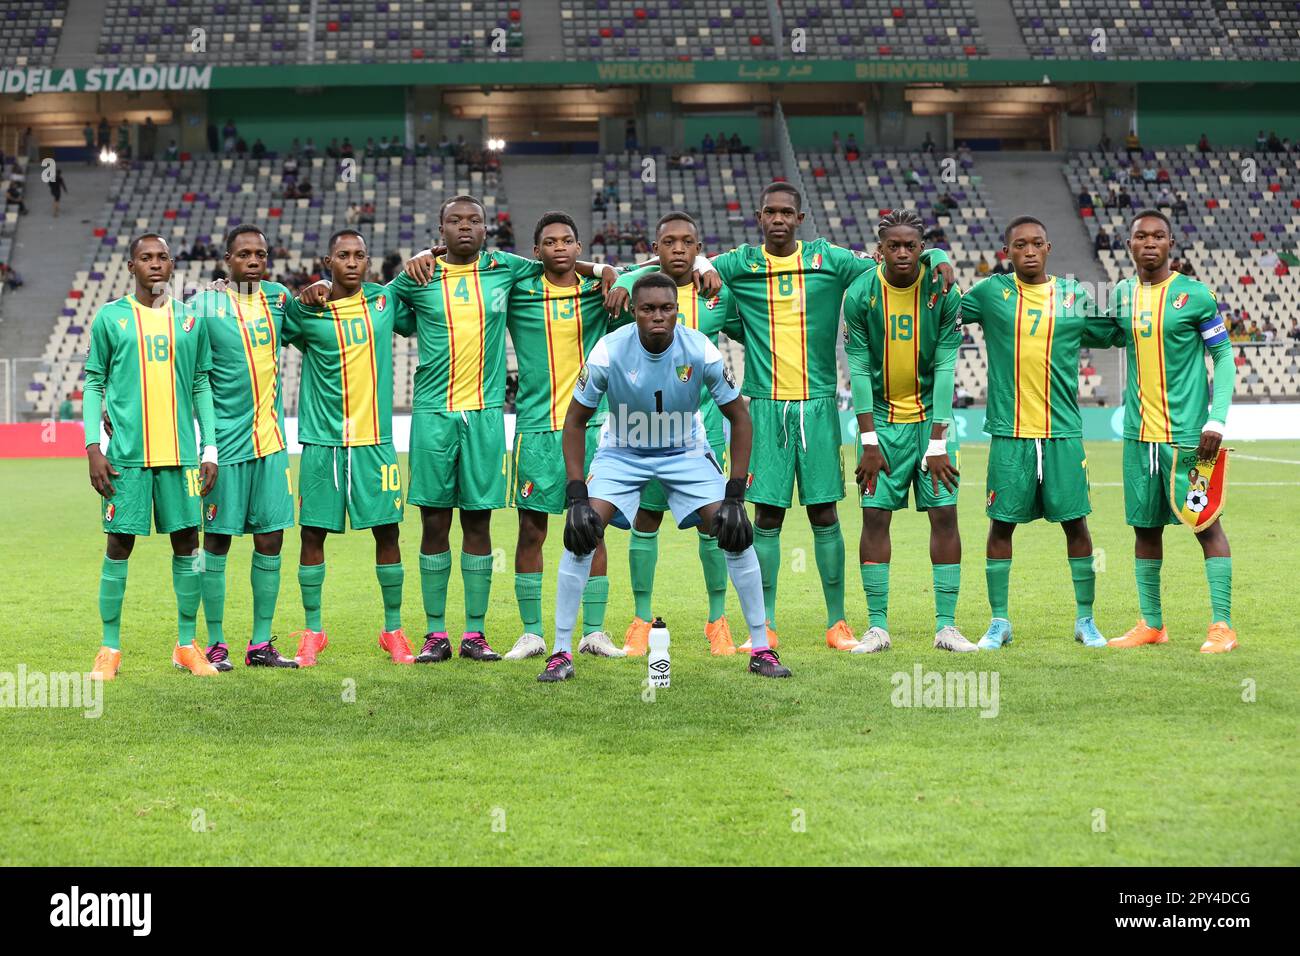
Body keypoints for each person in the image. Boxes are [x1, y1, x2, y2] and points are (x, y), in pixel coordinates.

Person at [695, 182, 955, 652]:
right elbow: (689, 263)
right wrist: (699, 264)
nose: (778, 219)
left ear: (800, 218)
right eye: (770, 212)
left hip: (818, 405)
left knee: (824, 513)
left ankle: (838, 623)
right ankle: (766, 622)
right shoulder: (740, 264)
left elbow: (895, 258)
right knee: (767, 516)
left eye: (786, 212)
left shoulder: (829, 258)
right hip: (767, 404)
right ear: (759, 217)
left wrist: (935, 255)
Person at [367, 199, 626, 663]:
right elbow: (371, 301)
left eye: (474, 221)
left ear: (488, 229)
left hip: (500, 417)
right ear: (440, 228)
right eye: (454, 221)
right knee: (437, 522)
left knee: (499, 521)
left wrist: (610, 268)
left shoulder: (507, 269)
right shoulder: (419, 276)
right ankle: (437, 634)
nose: (465, 227)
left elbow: (583, 265)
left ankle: (481, 634)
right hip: (440, 416)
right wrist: (327, 282)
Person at [543, 271, 791, 682]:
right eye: (647, 309)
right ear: (634, 313)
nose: (658, 316)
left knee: (735, 529)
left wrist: (735, 493)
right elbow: (574, 423)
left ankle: (761, 648)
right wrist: (576, 495)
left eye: (666, 308)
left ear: (677, 310)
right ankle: (561, 652)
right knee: (582, 529)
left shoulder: (700, 349)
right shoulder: (609, 351)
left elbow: (739, 418)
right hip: (623, 452)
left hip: (686, 452)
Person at [955, 216, 1116, 651]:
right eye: (1019, 244)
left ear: (1049, 248)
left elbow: (1114, 332)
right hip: (1010, 434)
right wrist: (934, 257)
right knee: (1000, 525)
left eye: (1036, 243)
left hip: (1063, 432)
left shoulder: (1074, 295)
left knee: (1076, 524)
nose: (1028, 250)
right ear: (1006, 252)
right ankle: (998, 622)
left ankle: (1086, 620)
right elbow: (942, 308)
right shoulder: (991, 293)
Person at [607, 213, 745, 656]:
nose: (679, 250)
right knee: (645, 521)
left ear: (700, 246)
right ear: (656, 247)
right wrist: (629, 275)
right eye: (670, 242)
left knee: (716, 526)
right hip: (644, 432)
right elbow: (599, 273)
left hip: (702, 435)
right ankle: (642, 619)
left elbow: (754, 334)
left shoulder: (716, 294)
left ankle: (717, 620)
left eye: (688, 242)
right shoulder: (637, 293)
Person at [82, 234, 219, 680]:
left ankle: (185, 645)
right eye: (146, 258)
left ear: (173, 265)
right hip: (126, 457)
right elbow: (93, 383)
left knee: (188, 547)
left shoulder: (189, 320)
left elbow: (201, 384)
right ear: (131, 266)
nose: (155, 265)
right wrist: (92, 448)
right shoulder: (111, 318)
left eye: (162, 258)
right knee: (118, 546)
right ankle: (109, 648)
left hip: (180, 457)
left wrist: (210, 447)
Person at [1101, 210, 1237, 654]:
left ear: (1171, 243)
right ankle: (1152, 624)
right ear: (1129, 245)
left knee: (1206, 523)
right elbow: (1094, 332)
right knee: (1144, 529)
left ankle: (1222, 627)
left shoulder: (1195, 296)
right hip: (1139, 438)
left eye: (1158, 235)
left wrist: (1216, 419)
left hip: (1190, 441)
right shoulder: (1120, 296)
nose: (1150, 243)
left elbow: (1225, 357)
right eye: (1141, 236)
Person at [842, 210, 973, 654]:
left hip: (929, 422)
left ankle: (947, 627)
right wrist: (868, 441)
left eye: (911, 246)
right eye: (892, 246)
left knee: (945, 515)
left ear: (922, 249)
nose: (902, 252)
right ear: (879, 250)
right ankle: (877, 627)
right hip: (880, 420)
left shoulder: (943, 290)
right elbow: (858, 367)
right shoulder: (860, 293)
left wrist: (938, 441)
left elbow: (945, 366)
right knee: (875, 517)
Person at [285, 230, 417, 666]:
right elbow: (262, 323)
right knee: (312, 533)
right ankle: (313, 631)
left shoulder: (384, 301)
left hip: (375, 442)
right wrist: (219, 289)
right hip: (323, 443)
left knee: (388, 532)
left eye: (360, 255)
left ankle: (393, 629)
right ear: (328, 261)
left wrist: (424, 253)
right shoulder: (306, 309)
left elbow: (430, 274)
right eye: (343, 255)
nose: (353, 262)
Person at [187, 225, 299, 670]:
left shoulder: (278, 299)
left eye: (261, 253)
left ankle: (259, 645)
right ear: (227, 259)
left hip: (270, 443)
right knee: (215, 543)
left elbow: (317, 318)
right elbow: (177, 358)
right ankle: (215, 643)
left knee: (270, 539)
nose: (253, 260)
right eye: (244, 254)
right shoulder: (204, 305)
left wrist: (324, 286)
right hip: (225, 446)